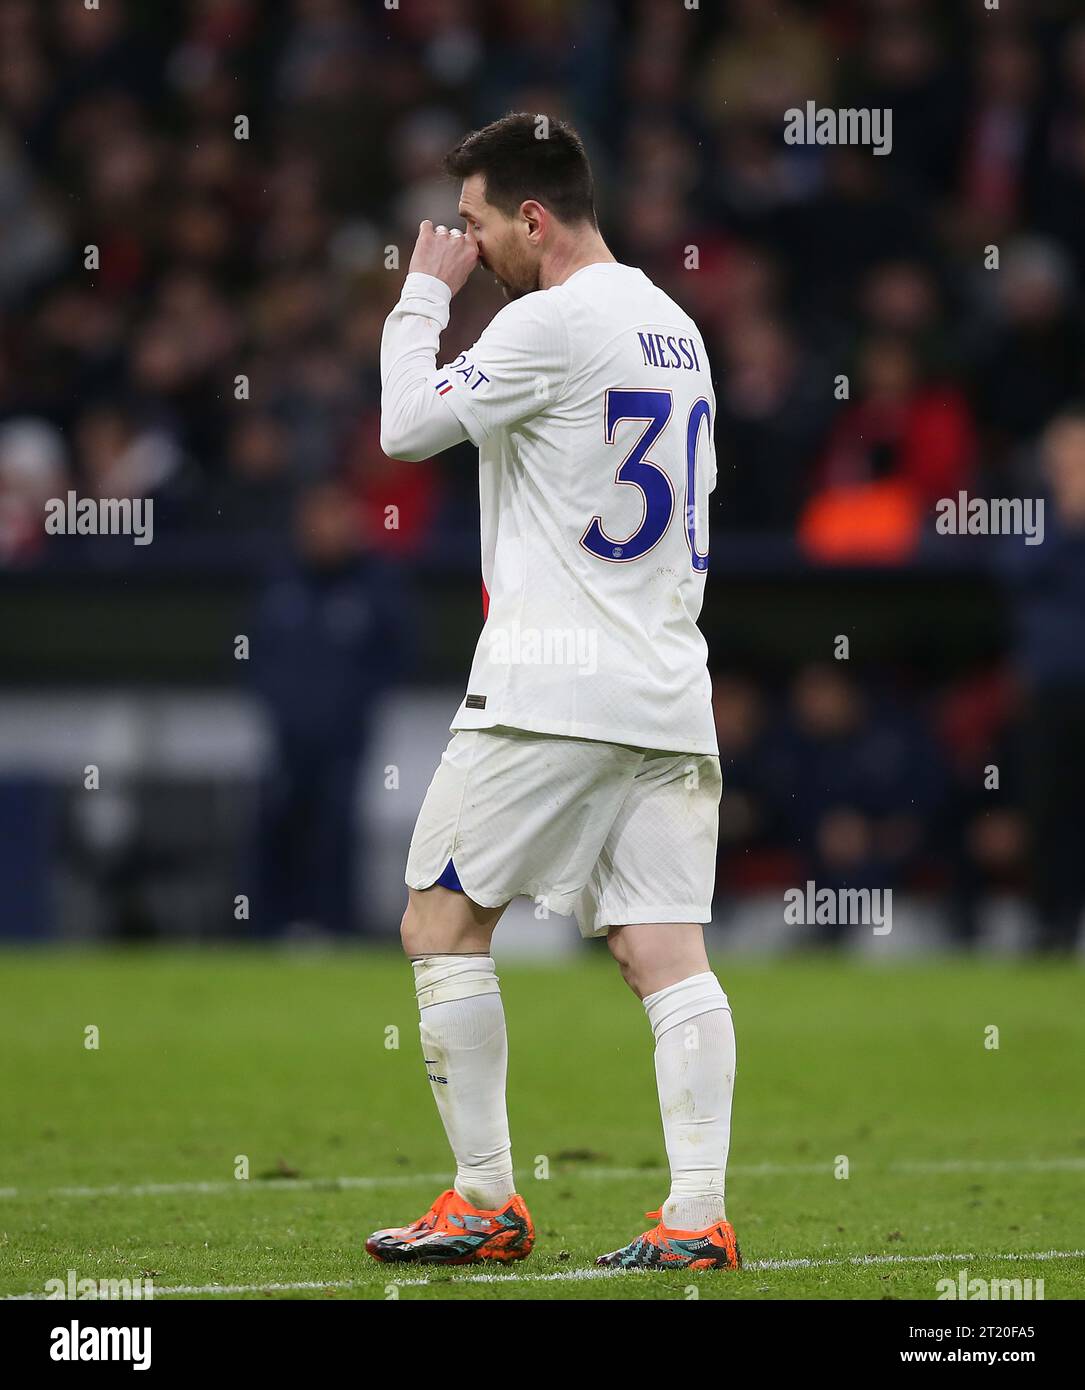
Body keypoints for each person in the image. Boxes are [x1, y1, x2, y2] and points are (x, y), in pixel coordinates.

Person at [371, 113, 738, 1271]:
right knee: (662, 951)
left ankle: (484, 1201)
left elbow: (403, 426)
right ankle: (695, 1218)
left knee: (439, 920)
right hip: (667, 684)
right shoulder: (674, 327)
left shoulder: (548, 319)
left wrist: (420, 298)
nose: (467, 245)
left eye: (474, 223)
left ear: (532, 215)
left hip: (550, 688)